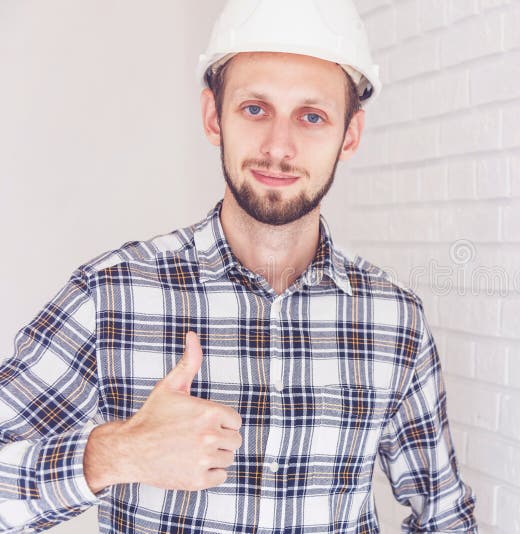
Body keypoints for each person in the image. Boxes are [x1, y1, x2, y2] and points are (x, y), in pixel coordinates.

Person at [0, 0, 477, 532]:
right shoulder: (111, 294)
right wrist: (118, 453)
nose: (279, 146)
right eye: (255, 109)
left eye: (312, 116)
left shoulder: (394, 321)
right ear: (213, 117)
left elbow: (444, 515)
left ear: (350, 135)